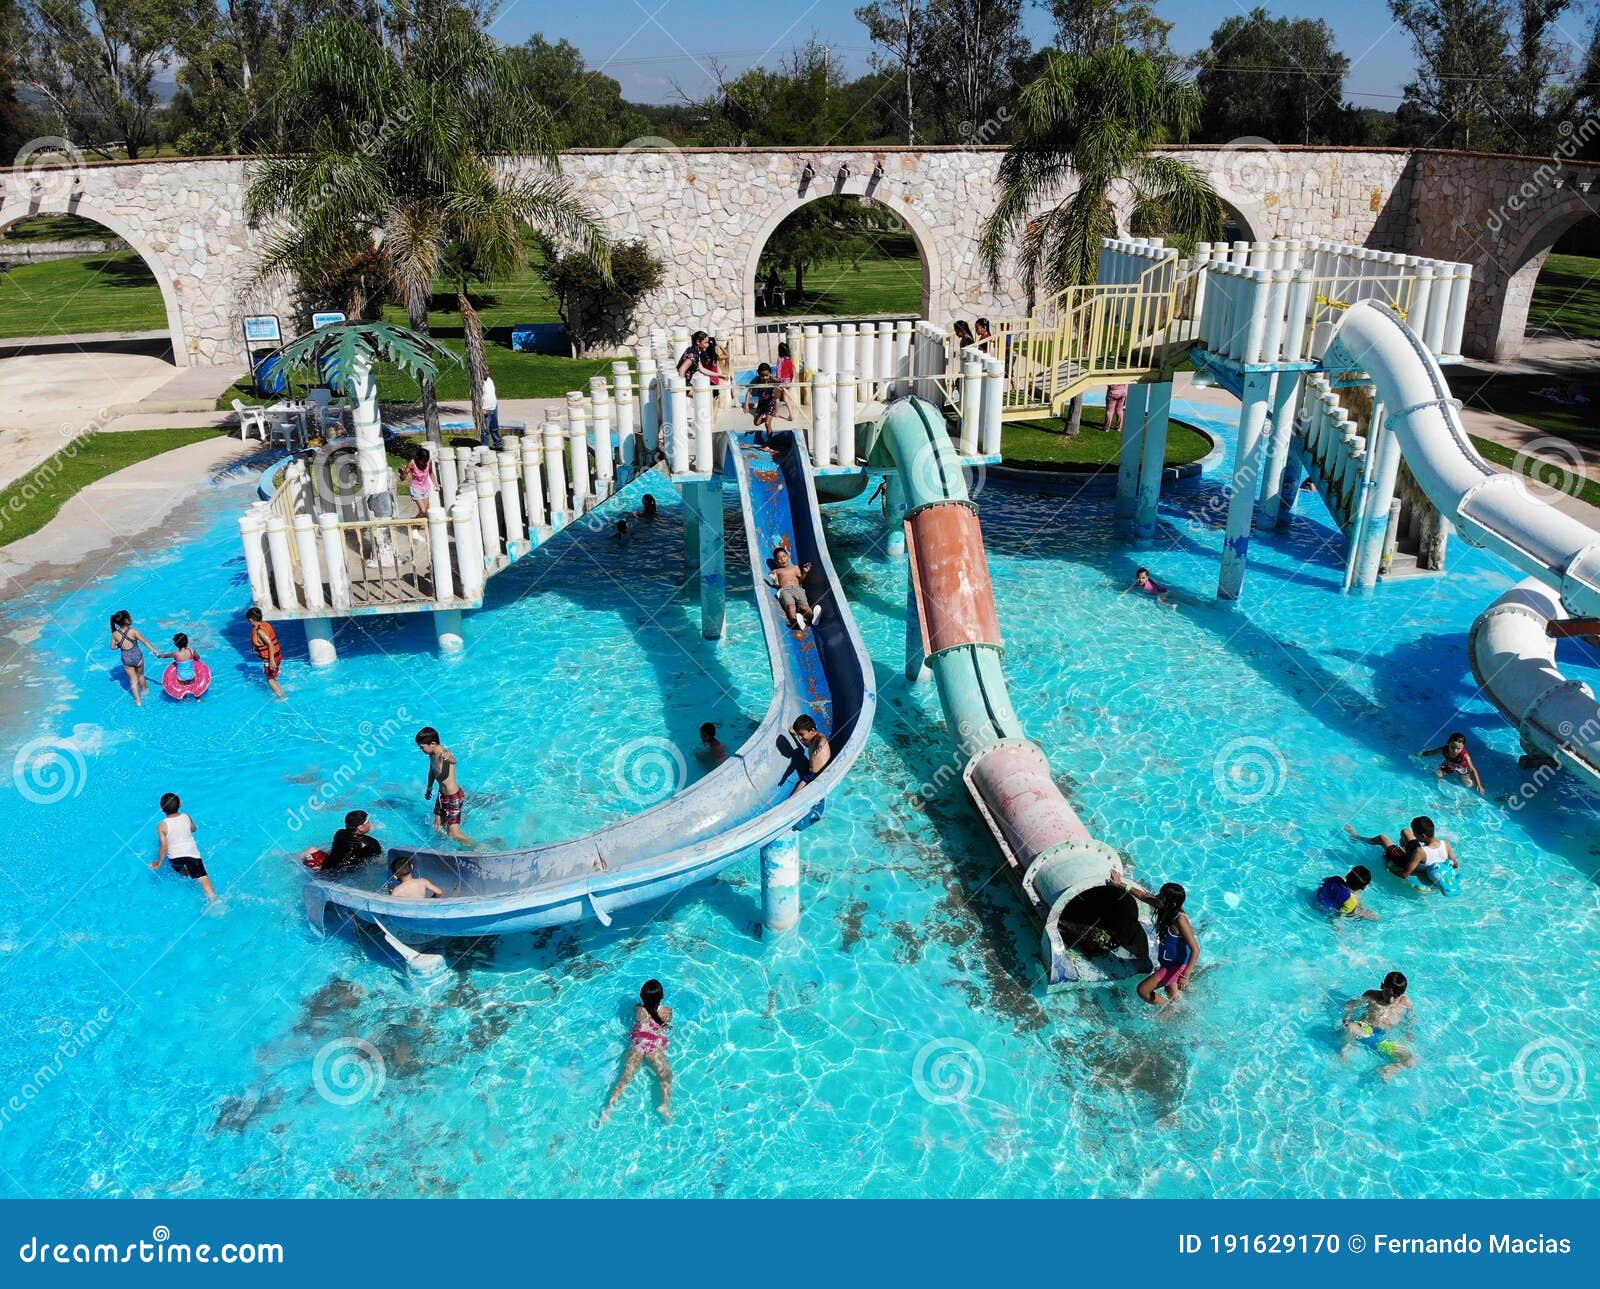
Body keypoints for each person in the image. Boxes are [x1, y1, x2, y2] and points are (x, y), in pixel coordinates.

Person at [1113, 875, 1198, 1005]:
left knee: (1143, 990)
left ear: (1172, 903)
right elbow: (1143, 896)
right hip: (1168, 962)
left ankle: (1169, 1009)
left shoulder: (1180, 920)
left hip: (1177, 966)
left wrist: (1185, 975)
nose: (1157, 897)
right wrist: (1120, 883)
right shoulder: (1165, 906)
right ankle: (1179, 1009)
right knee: (1172, 992)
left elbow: (1195, 950)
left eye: (1161, 896)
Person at [599, 979, 674, 1125]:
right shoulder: (667, 1012)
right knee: (665, 1075)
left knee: (625, 1078)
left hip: (638, 1045)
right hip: (653, 1048)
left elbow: (639, 1020)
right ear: (662, 996)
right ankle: (664, 1105)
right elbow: (666, 1027)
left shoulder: (638, 1009)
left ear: (642, 997)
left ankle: (608, 1109)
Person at [1342, 971, 1416, 1079]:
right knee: (1350, 1027)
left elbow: (1409, 1019)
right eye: (1387, 993)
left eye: (1396, 996)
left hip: (1383, 1039)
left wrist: (1408, 1033)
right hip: (1365, 1030)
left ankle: (1390, 1069)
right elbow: (1352, 1005)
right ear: (1382, 986)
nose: (1391, 999)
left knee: (1410, 1060)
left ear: (1402, 994)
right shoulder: (1371, 995)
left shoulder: (1406, 1002)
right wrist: (1347, 1017)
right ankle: (1348, 1048)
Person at [1343, 816, 1459, 886]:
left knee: (1382, 838)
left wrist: (1389, 869)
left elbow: (1404, 874)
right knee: (1405, 832)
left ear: (1423, 836)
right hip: (1424, 858)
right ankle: (1403, 846)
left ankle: (1356, 836)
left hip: (1409, 861)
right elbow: (1455, 864)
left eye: (1415, 833)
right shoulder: (1446, 844)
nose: (1413, 834)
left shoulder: (1420, 851)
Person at [415, 726, 477, 845]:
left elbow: (454, 761)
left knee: (453, 833)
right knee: (437, 826)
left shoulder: (444, 753)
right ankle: (441, 848)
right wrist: (429, 787)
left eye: (422, 747)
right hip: (441, 795)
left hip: (453, 797)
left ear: (432, 743)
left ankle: (477, 847)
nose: (420, 749)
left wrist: (450, 758)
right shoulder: (431, 754)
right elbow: (432, 770)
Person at [150, 792, 216, 902]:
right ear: (180, 804)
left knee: (180, 869)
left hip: (175, 857)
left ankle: (187, 876)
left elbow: (164, 847)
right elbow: (194, 829)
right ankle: (214, 901)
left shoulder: (161, 825)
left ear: (162, 809)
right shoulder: (186, 816)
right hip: (192, 855)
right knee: (203, 878)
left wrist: (159, 863)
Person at [304, 808, 383, 873]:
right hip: (341, 876)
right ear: (360, 827)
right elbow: (379, 861)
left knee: (311, 849)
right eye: (368, 822)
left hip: (324, 867)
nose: (370, 823)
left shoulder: (339, 833)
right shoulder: (372, 843)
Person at [768, 545, 820, 634]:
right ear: (775, 561)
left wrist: (804, 572)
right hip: (784, 590)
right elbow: (777, 585)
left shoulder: (795, 568)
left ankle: (813, 618)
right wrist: (775, 580)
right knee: (790, 608)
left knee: (804, 607)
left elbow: (800, 580)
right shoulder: (776, 571)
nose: (782, 559)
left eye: (784, 556)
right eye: (778, 558)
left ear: (788, 557)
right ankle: (796, 623)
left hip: (797, 588)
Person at [109, 610, 153, 706]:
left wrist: (120, 645)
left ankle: (138, 701)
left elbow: (112, 647)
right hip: (137, 656)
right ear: (127, 620)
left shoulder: (115, 634)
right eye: (130, 617)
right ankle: (145, 691)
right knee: (140, 675)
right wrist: (155, 651)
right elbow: (145, 642)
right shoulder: (133, 631)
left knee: (133, 680)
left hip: (126, 659)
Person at [1416, 731, 1483, 793]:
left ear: (1463, 747)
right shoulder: (1444, 749)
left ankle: (1468, 779)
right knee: (1437, 774)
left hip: (1463, 769)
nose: (1455, 751)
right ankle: (1438, 787)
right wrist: (1420, 754)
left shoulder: (1465, 756)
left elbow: (1473, 770)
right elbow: (1431, 752)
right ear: (1448, 744)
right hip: (1449, 765)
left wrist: (1479, 785)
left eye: (1458, 748)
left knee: (1468, 785)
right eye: (1452, 747)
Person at [745, 362, 792, 445]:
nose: (764, 377)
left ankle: (770, 442)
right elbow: (749, 391)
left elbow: (782, 384)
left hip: (771, 403)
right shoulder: (756, 380)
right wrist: (746, 404)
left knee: (767, 423)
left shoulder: (772, 379)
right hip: (762, 403)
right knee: (756, 423)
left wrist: (780, 382)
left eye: (766, 375)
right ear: (758, 374)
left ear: (770, 373)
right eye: (762, 375)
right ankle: (767, 419)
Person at [244, 607, 286, 700]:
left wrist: (271, 661)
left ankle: (282, 698)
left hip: (271, 658)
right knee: (272, 676)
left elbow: (270, 644)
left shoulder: (260, 631)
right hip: (277, 655)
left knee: (269, 678)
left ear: (251, 619)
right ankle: (281, 692)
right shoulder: (265, 624)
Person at [1314, 865, 1379, 920]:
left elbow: (1323, 881)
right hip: (1327, 912)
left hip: (1317, 901)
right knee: (1375, 917)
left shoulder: (1334, 878)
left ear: (1347, 875)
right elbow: (1339, 916)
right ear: (1363, 888)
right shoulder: (1352, 900)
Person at [157, 633, 204, 700]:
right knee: (194, 688)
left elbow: (165, 656)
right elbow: (198, 658)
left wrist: (160, 655)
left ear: (176, 644)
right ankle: (198, 699)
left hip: (181, 678)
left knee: (183, 690)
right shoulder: (191, 651)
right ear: (187, 642)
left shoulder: (175, 654)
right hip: (192, 676)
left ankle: (184, 698)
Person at [790, 714, 832, 783]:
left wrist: (820, 746)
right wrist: (795, 735)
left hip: (818, 775)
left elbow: (823, 739)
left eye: (801, 734)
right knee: (797, 792)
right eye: (798, 735)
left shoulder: (818, 738)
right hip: (810, 775)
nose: (800, 737)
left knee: (798, 792)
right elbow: (806, 744)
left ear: (812, 730)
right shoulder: (811, 740)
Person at [406, 446, 433, 518]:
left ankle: (418, 525)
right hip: (416, 489)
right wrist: (403, 474)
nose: (425, 463)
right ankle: (413, 524)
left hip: (426, 488)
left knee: (426, 511)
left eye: (426, 461)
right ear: (418, 459)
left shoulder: (429, 461)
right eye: (423, 461)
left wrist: (436, 484)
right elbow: (403, 477)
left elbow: (431, 473)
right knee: (423, 511)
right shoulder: (412, 463)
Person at [481, 370, 502, 451]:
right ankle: (484, 448)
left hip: (494, 407)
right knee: (485, 430)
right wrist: (481, 409)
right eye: (484, 371)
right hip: (485, 409)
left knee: (495, 428)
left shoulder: (490, 380)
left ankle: (498, 444)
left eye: (488, 371)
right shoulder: (478, 382)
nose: (487, 373)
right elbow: (474, 397)